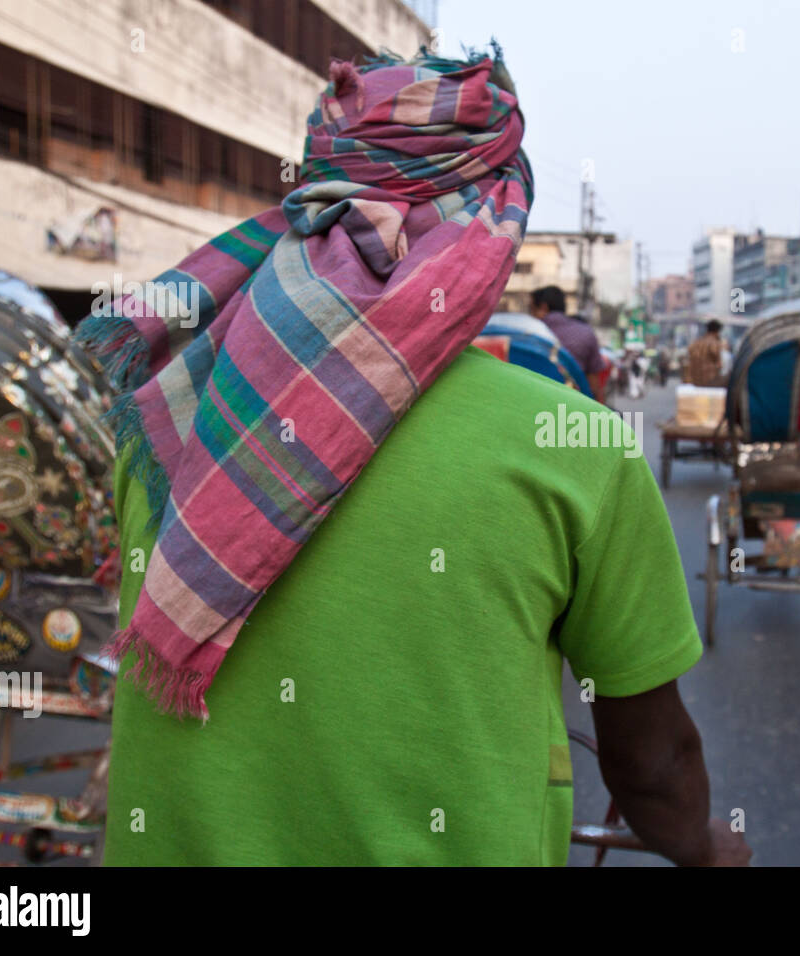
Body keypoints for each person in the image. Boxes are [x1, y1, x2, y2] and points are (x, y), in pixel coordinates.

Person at [79, 49, 748, 868]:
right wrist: (704, 848)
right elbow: (653, 763)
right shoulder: (580, 447)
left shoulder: (167, 414)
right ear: (493, 227)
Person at [530, 286, 606, 401]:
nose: (531, 315)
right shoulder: (587, 332)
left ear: (543, 307)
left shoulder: (529, 332)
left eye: (532, 310)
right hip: (574, 408)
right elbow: (594, 386)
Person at [686, 320, 725, 387]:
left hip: (694, 380)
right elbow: (719, 364)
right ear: (717, 331)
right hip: (710, 381)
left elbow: (689, 355)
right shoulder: (714, 343)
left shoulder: (696, 343)